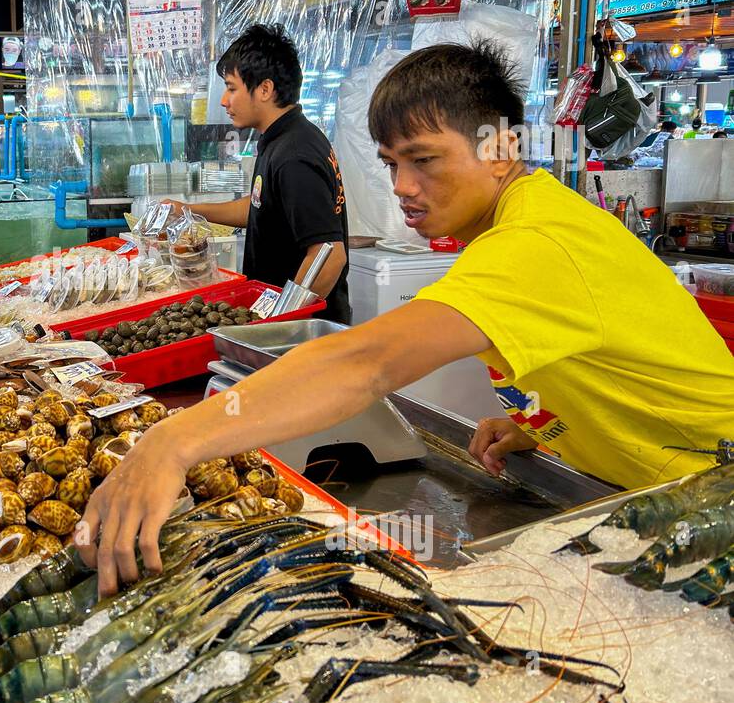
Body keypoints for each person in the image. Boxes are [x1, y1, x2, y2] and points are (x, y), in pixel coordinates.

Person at [80, 40, 734, 598]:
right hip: (651, 492)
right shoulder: (516, 224)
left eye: (424, 159)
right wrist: (548, 420)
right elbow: (602, 353)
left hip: (713, 504)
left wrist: (173, 442)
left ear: (502, 148)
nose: (401, 186)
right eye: (392, 164)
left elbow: (366, 364)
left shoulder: (538, 241)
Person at [163, 24, 350, 322]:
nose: (224, 100)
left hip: (301, 334)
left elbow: (328, 256)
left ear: (265, 89)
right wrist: (188, 210)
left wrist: (278, 324)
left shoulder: (294, 154)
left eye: (232, 88)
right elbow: (260, 207)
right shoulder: (280, 140)